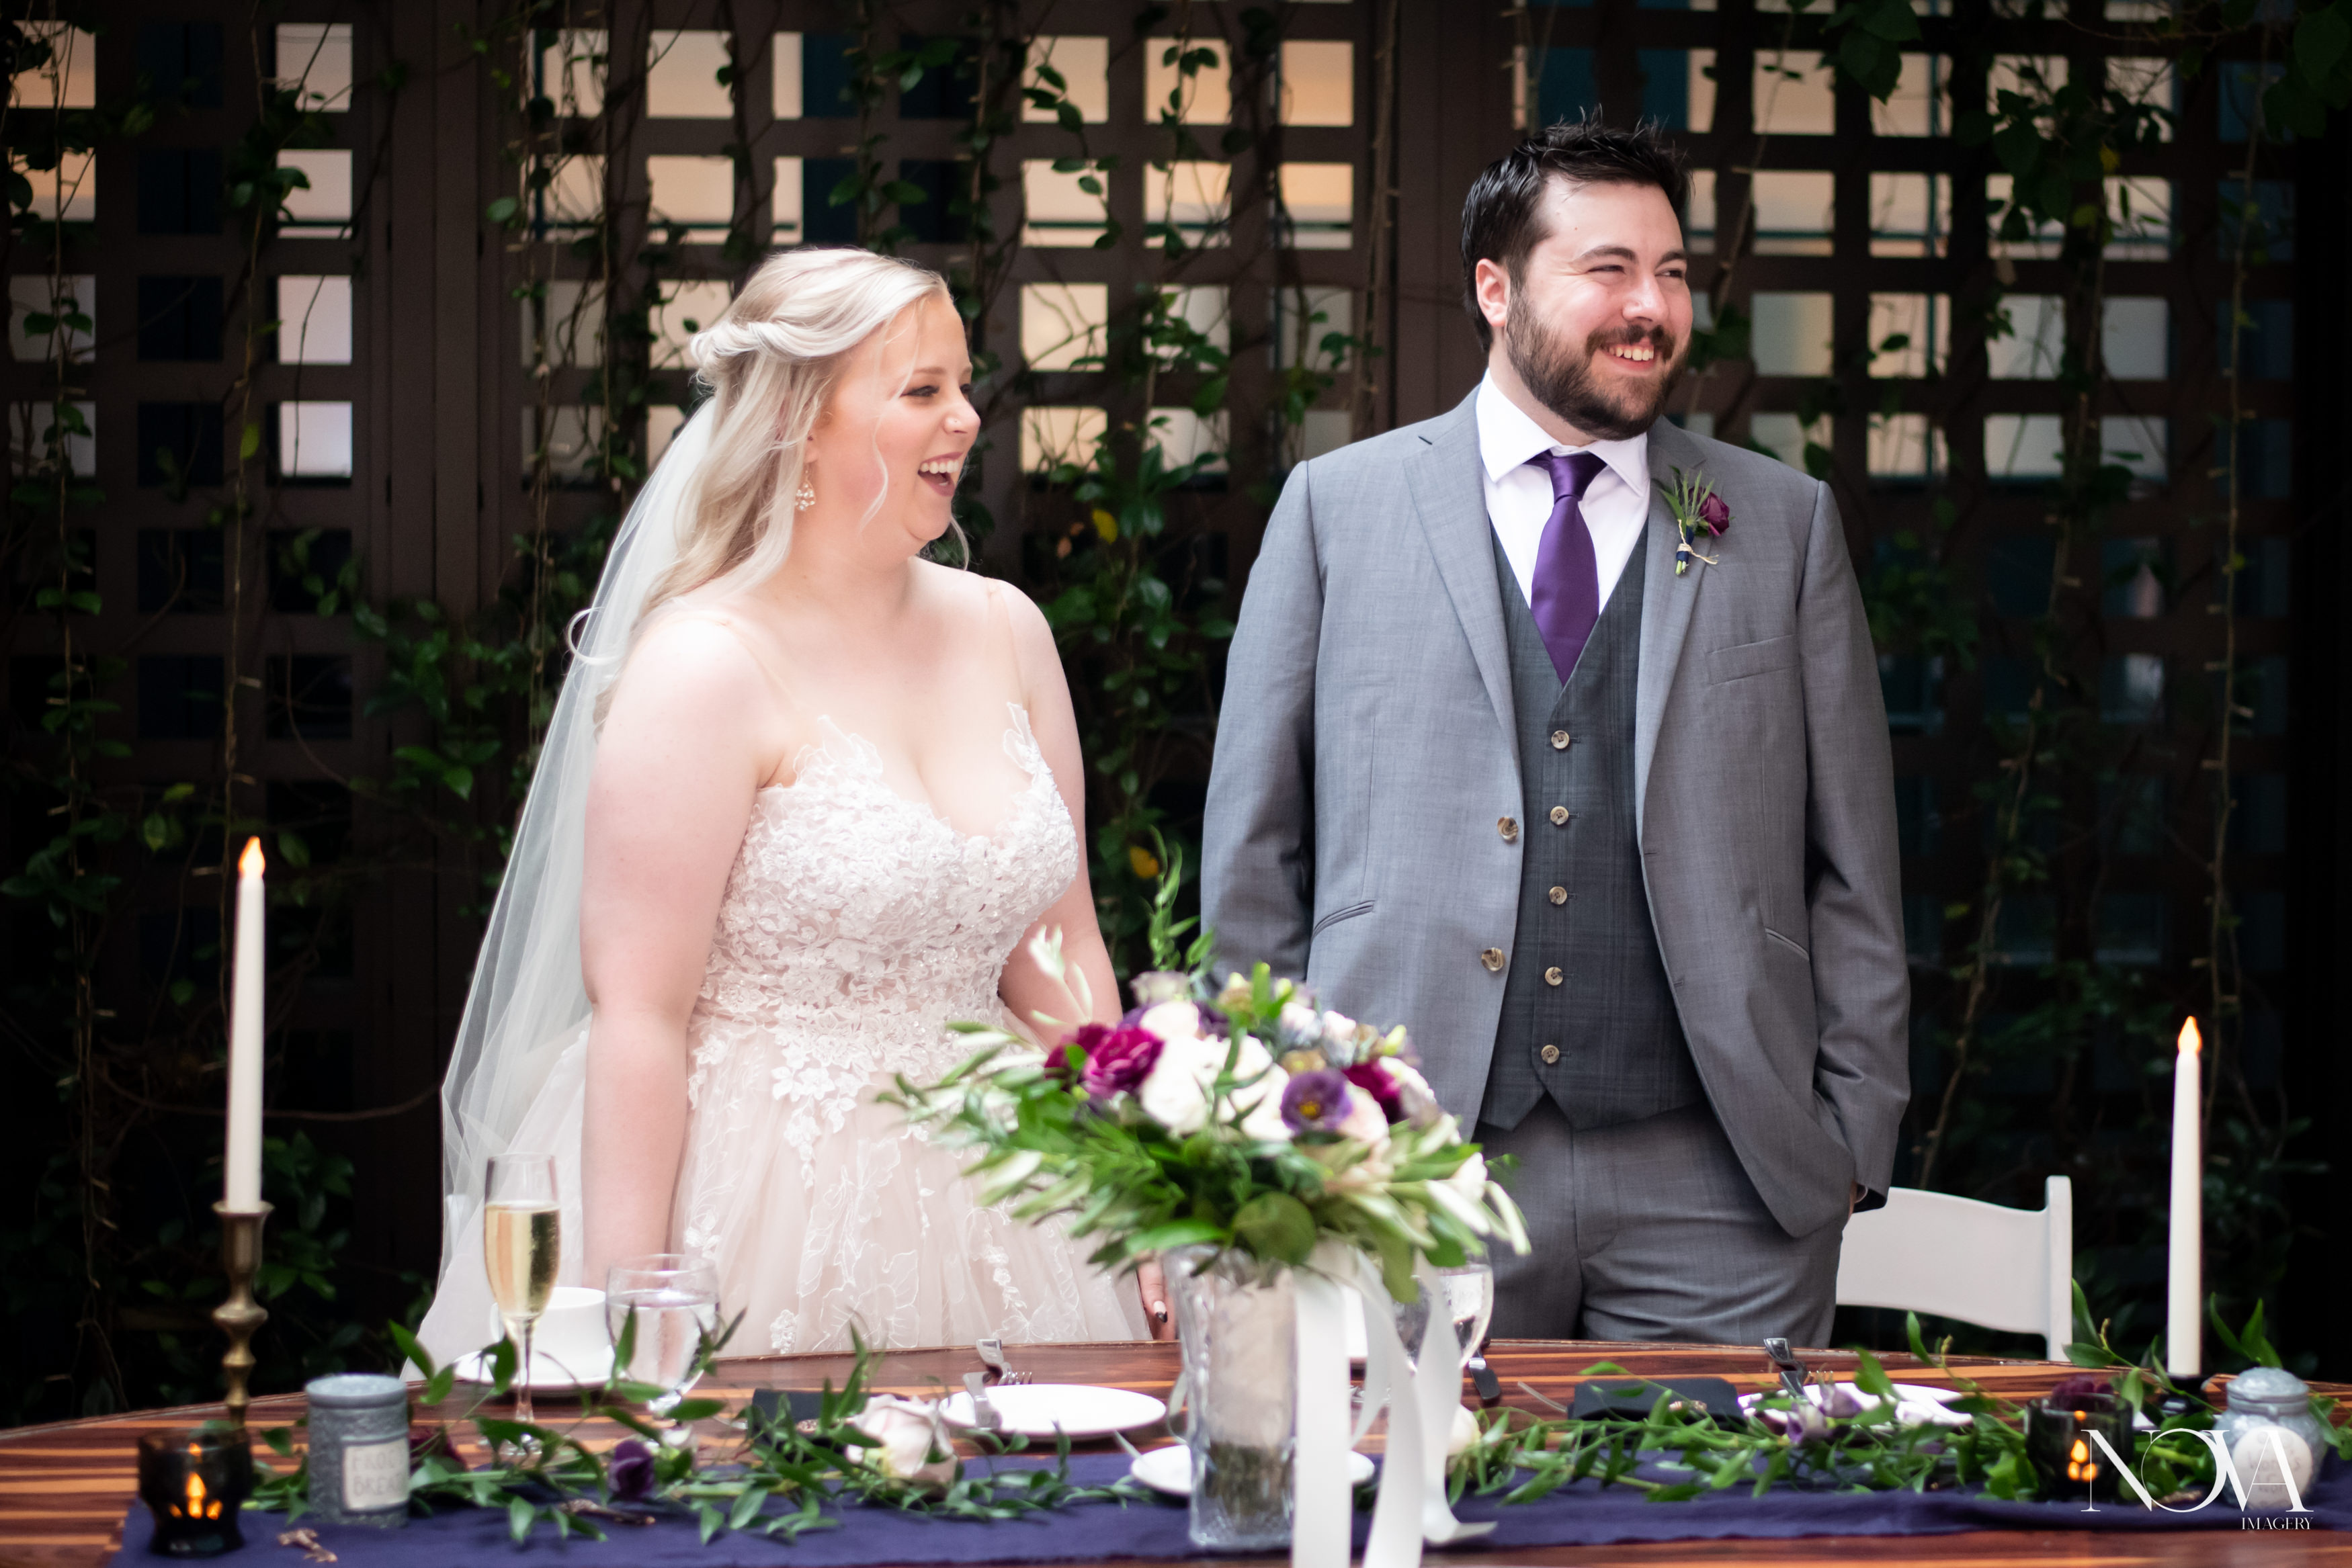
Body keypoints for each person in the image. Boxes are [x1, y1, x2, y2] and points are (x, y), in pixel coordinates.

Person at [1202, 119, 1908, 1346]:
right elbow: (1254, 854)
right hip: (1402, 1167)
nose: (1651, 307)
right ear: (1497, 288)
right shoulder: (1336, 510)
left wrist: (1849, 1132)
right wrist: (1268, 1124)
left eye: (1672, 272)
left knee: (1728, 1484)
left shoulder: (1780, 524)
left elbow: (1855, 862)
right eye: (1608, 269)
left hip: (1724, 1192)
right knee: (1401, 1479)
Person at [417, 248, 1146, 1365]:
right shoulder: (706, 664)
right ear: (801, 422)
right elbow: (640, 1015)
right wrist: (629, 1313)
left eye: (963, 385)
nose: (966, 419)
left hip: (1014, 1192)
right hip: (764, 1205)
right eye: (922, 390)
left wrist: (1132, 1189)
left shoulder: (1009, 628)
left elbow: (1063, 950)